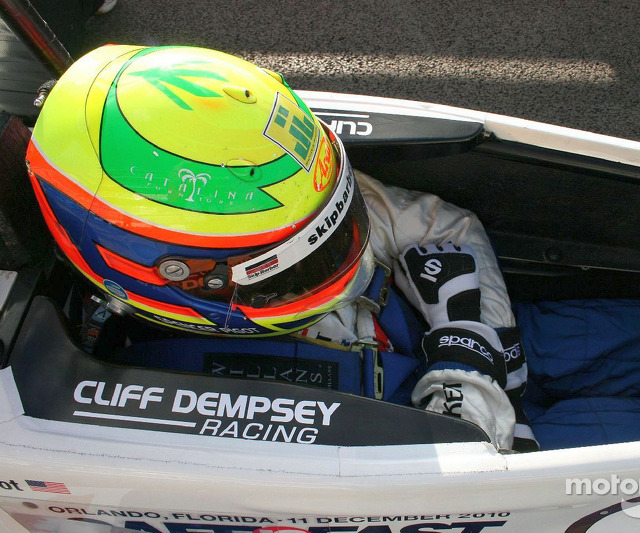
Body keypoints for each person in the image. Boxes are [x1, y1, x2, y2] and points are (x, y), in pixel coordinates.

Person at [25, 44, 536, 452]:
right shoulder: (132, 426)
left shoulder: (288, 194)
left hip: (453, 357)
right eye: (296, 268)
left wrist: (480, 347)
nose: (342, 260)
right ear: (177, 274)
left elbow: (445, 227)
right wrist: (473, 407)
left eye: (335, 225)